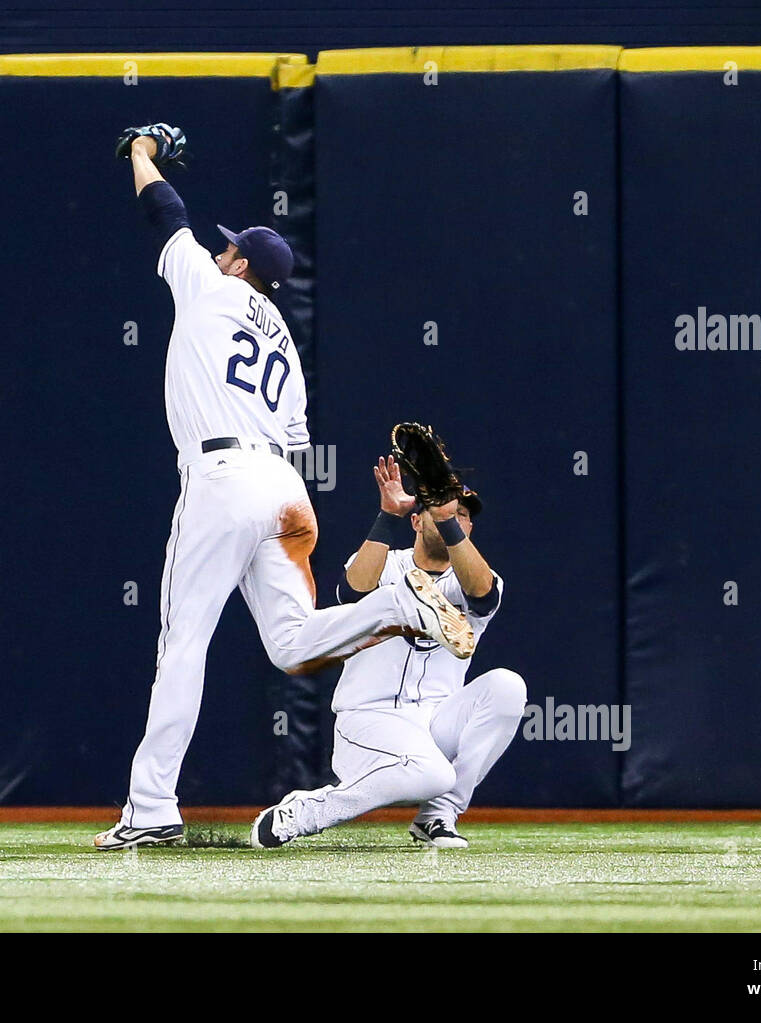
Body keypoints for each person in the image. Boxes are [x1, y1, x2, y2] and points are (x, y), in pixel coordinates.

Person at [95, 125, 475, 850]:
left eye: (228, 245)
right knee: (292, 641)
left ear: (240, 264)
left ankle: (150, 807)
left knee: (182, 643)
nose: (217, 248)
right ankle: (397, 603)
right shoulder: (288, 347)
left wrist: (143, 151)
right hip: (282, 486)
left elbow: (165, 212)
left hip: (221, 476)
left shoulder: (208, 282)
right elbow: (288, 433)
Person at [251, 453, 526, 850]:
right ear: (416, 520)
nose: (455, 515)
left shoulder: (477, 577)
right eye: (443, 508)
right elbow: (352, 592)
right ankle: (310, 810)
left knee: (508, 687)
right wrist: (387, 515)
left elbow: (483, 596)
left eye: (464, 514)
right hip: (370, 719)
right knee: (435, 775)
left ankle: (437, 817)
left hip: (435, 721)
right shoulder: (386, 565)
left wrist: (447, 520)